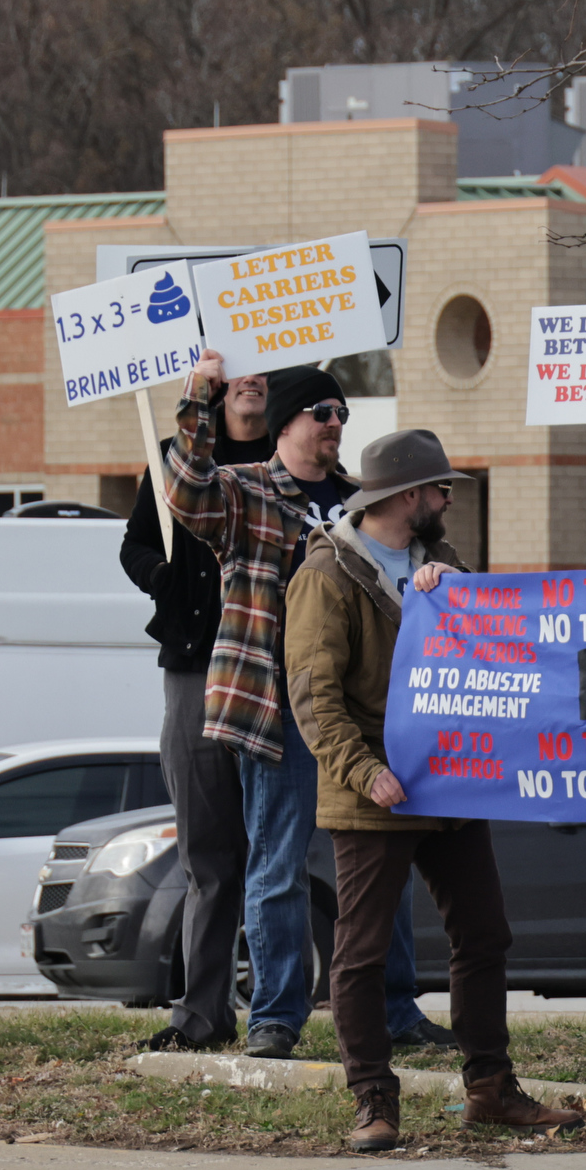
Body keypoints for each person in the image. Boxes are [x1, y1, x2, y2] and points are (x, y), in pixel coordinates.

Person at [285, 428, 584, 1151]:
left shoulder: (442, 561)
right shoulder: (327, 574)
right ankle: (374, 1103)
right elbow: (313, 695)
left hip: (451, 787)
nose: (449, 498)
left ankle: (490, 1089)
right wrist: (366, 772)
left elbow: (494, 645)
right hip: (373, 793)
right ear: (407, 496)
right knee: (359, 953)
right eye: (441, 488)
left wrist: (461, 596)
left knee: (483, 934)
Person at [165, 351, 448, 1061]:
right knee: (278, 863)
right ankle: (277, 1016)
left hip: (370, 715)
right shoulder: (244, 490)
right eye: (323, 413)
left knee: (384, 860)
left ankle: (397, 1009)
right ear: (286, 422)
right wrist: (200, 397)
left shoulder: (365, 499)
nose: (336, 424)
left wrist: (442, 573)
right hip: (280, 706)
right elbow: (185, 493)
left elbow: (427, 571)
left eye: (343, 414)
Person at [122, 367, 272, 1052]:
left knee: (283, 855)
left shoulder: (289, 463)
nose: (252, 381)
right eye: (239, 372)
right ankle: (202, 1014)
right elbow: (135, 547)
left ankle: (279, 1014)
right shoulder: (174, 464)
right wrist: (167, 581)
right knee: (208, 855)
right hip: (194, 668)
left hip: (275, 674)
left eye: (264, 373)